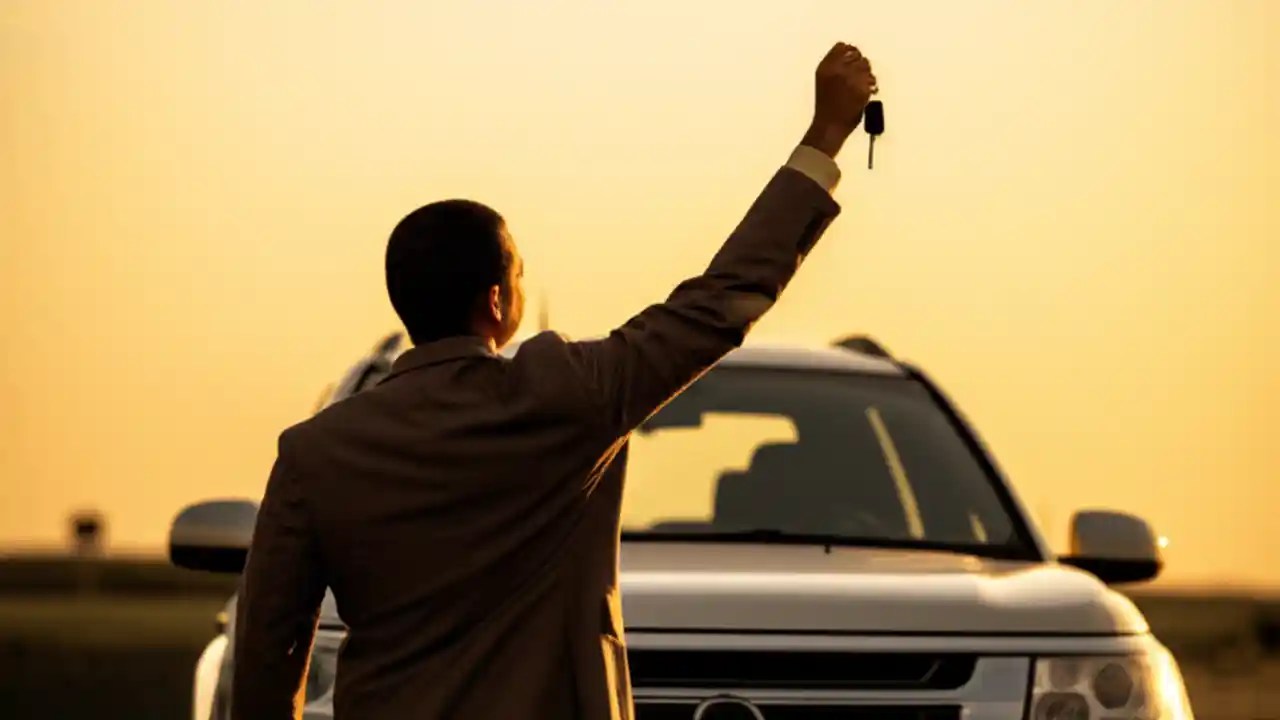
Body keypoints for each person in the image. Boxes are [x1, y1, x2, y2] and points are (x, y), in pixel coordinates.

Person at [232, 41, 878, 720]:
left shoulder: (314, 454)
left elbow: (268, 654)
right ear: (495, 302)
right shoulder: (566, 395)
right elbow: (716, 304)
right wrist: (824, 135)